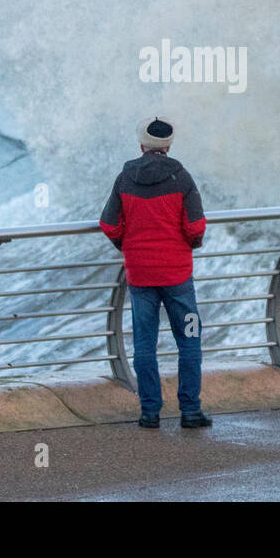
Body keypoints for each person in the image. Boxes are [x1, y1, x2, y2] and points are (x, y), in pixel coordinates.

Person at [99, 116, 212, 429]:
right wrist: (192, 244)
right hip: (178, 277)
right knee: (189, 341)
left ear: (141, 145)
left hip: (141, 277)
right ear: (169, 145)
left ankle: (150, 413)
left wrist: (128, 246)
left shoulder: (125, 177)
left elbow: (109, 224)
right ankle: (190, 411)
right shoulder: (182, 177)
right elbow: (194, 227)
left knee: (144, 345)